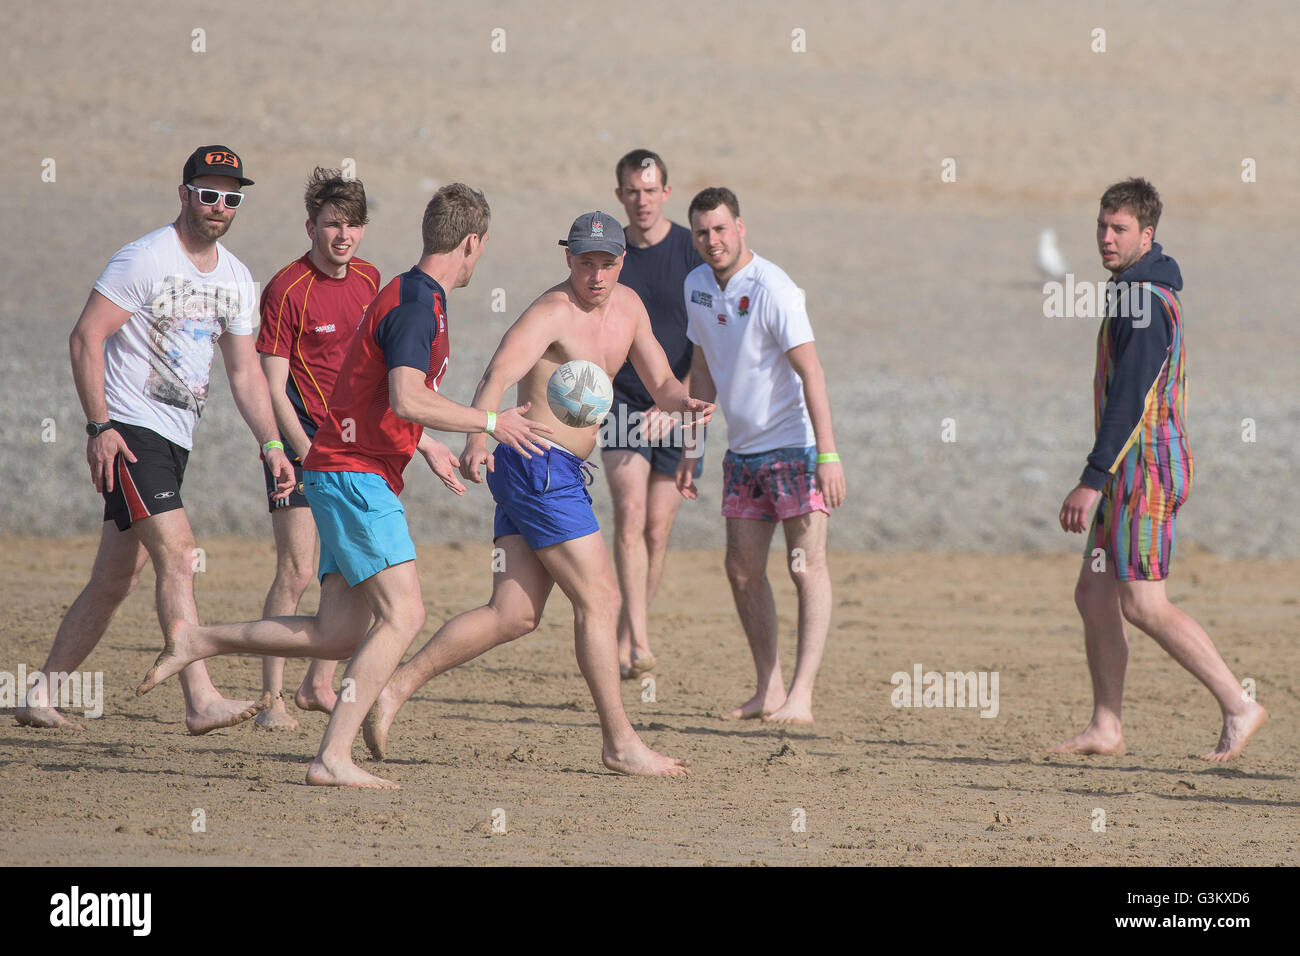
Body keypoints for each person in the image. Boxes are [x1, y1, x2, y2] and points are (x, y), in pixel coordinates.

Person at [136, 183, 552, 789]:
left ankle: (197, 638)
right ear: (471, 243)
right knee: (404, 615)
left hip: (349, 471)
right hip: (353, 475)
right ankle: (332, 757)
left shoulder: (407, 293)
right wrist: (491, 421)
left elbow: (388, 400)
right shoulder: (416, 302)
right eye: (480, 250)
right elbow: (410, 396)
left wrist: (427, 445)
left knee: (338, 633)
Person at [360, 211, 713, 776]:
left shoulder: (629, 308)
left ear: (623, 261)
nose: (595, 275)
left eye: (606, 263)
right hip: (536, 464)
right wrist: (478, 439)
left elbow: (662, 383)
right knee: (602, 601)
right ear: (567, 258)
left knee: (512, 614)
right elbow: (496, 377)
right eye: (584, 262)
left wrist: (682, 403)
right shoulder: (552, 311)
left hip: (560, 473)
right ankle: (620, 743)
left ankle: (392, 688)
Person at [16, 145, 296, 734]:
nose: (220, 205)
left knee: (115, 579)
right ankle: (199, 697)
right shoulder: (143, 259)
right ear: (185, 193)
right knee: (179, 553)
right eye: (209, 193)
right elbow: (84, 338)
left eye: (231, 197)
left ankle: (40, 694)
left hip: (176, 439)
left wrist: (271, 444)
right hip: (129, 431)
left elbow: (245, 373)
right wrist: (99, 427)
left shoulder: (237, 278)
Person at [1049, 178, 1267, 761]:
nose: (1106, 238)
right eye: (1101, 226)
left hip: (1143, 470)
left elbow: (1130, 398)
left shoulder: (1144, 302)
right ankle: (1106, 726)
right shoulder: (1134, 291)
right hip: (1127, 467)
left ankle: (1238, 704)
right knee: (1095, 595)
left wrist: (1091, 479)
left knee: (1143, 603)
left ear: (1147, 235)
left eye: (1119, 229)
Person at [676, 187, 846, 724]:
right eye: (702, 232)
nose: (712, 241)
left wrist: (829, 455)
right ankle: (768, 689)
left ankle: (803, 695)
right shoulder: (696, 286)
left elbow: (811, 372)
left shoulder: (774, 287)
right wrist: (692, 445)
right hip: (742, 454)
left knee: (805, 567)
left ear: (741, 228)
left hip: (794, 448)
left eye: (721, 229)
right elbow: (701, 370)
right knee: (742, 571)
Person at [252, 168, 381, 729]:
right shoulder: (287, 288)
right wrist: (299, 448)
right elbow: (270, 384)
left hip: (358, 452)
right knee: (298, 567)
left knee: (355, 569)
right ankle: (271, 700)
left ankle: (317, 686)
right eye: (332, 224)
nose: (343, 235)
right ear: (311, 226)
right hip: (299, 445)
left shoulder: (373, 279)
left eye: (352, 224)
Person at [601, 149, 704, 679]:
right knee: (630, 513)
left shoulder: (693, 250)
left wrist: (678, 401)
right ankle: (639, 640)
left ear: (667, 193)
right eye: (632, 191)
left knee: (659, 530)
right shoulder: (611, 253)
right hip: (622, 399)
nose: (641, 200)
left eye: (651, 190)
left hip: (685, 401)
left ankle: (626, 633)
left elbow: (708, 341)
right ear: (620, 195)